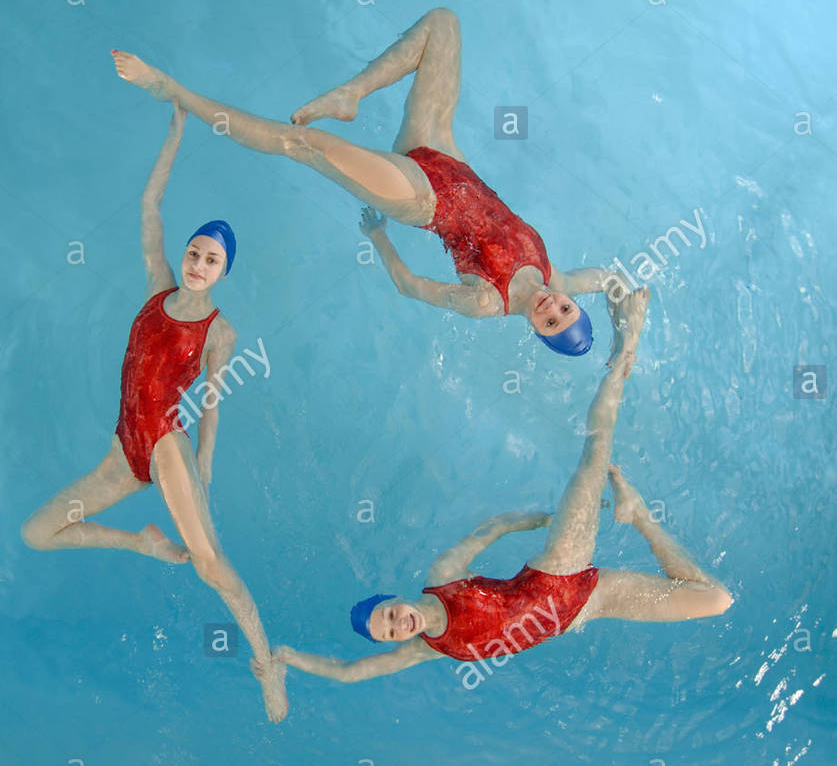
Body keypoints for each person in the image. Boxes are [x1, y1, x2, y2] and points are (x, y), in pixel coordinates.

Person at [273, 288, 733, 683]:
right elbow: (351, 672)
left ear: (393, 599)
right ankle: (640, 517)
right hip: (582, 607)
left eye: (389, 615)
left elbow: (490, 529)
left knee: (595, 452)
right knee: (715, 599)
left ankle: (626, 343)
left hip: (558, 565)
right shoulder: (430, 649)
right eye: (391, 631)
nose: (399, 624)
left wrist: (546, 521)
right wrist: (289, 659)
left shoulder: (441, 579)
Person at [111, 7, 622, 356]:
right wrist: (629, 328)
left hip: (420, 197)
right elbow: (613, 280)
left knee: (303, 145)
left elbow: (410, 286)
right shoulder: (558, 277)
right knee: (443, 24)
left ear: (536, 331)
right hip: (445, 155)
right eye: (564, 309)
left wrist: (379, 237)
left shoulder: (487, 303)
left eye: (550, 322)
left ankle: (171, 89)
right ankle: (350, 94)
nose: (551, 307)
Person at [21, 102, 289, 723]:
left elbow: (213, 400)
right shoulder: (155, 286)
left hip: (167, 443)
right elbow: (149, 208)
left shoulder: (220, 331)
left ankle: (266, 665)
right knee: (37, 533)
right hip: (125, 449)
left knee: (210, 564)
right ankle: (139, 544)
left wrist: (204, 460)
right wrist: (174, 135)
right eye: (194, 253)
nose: (196, 265)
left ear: (224, 272)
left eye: (210, 261)